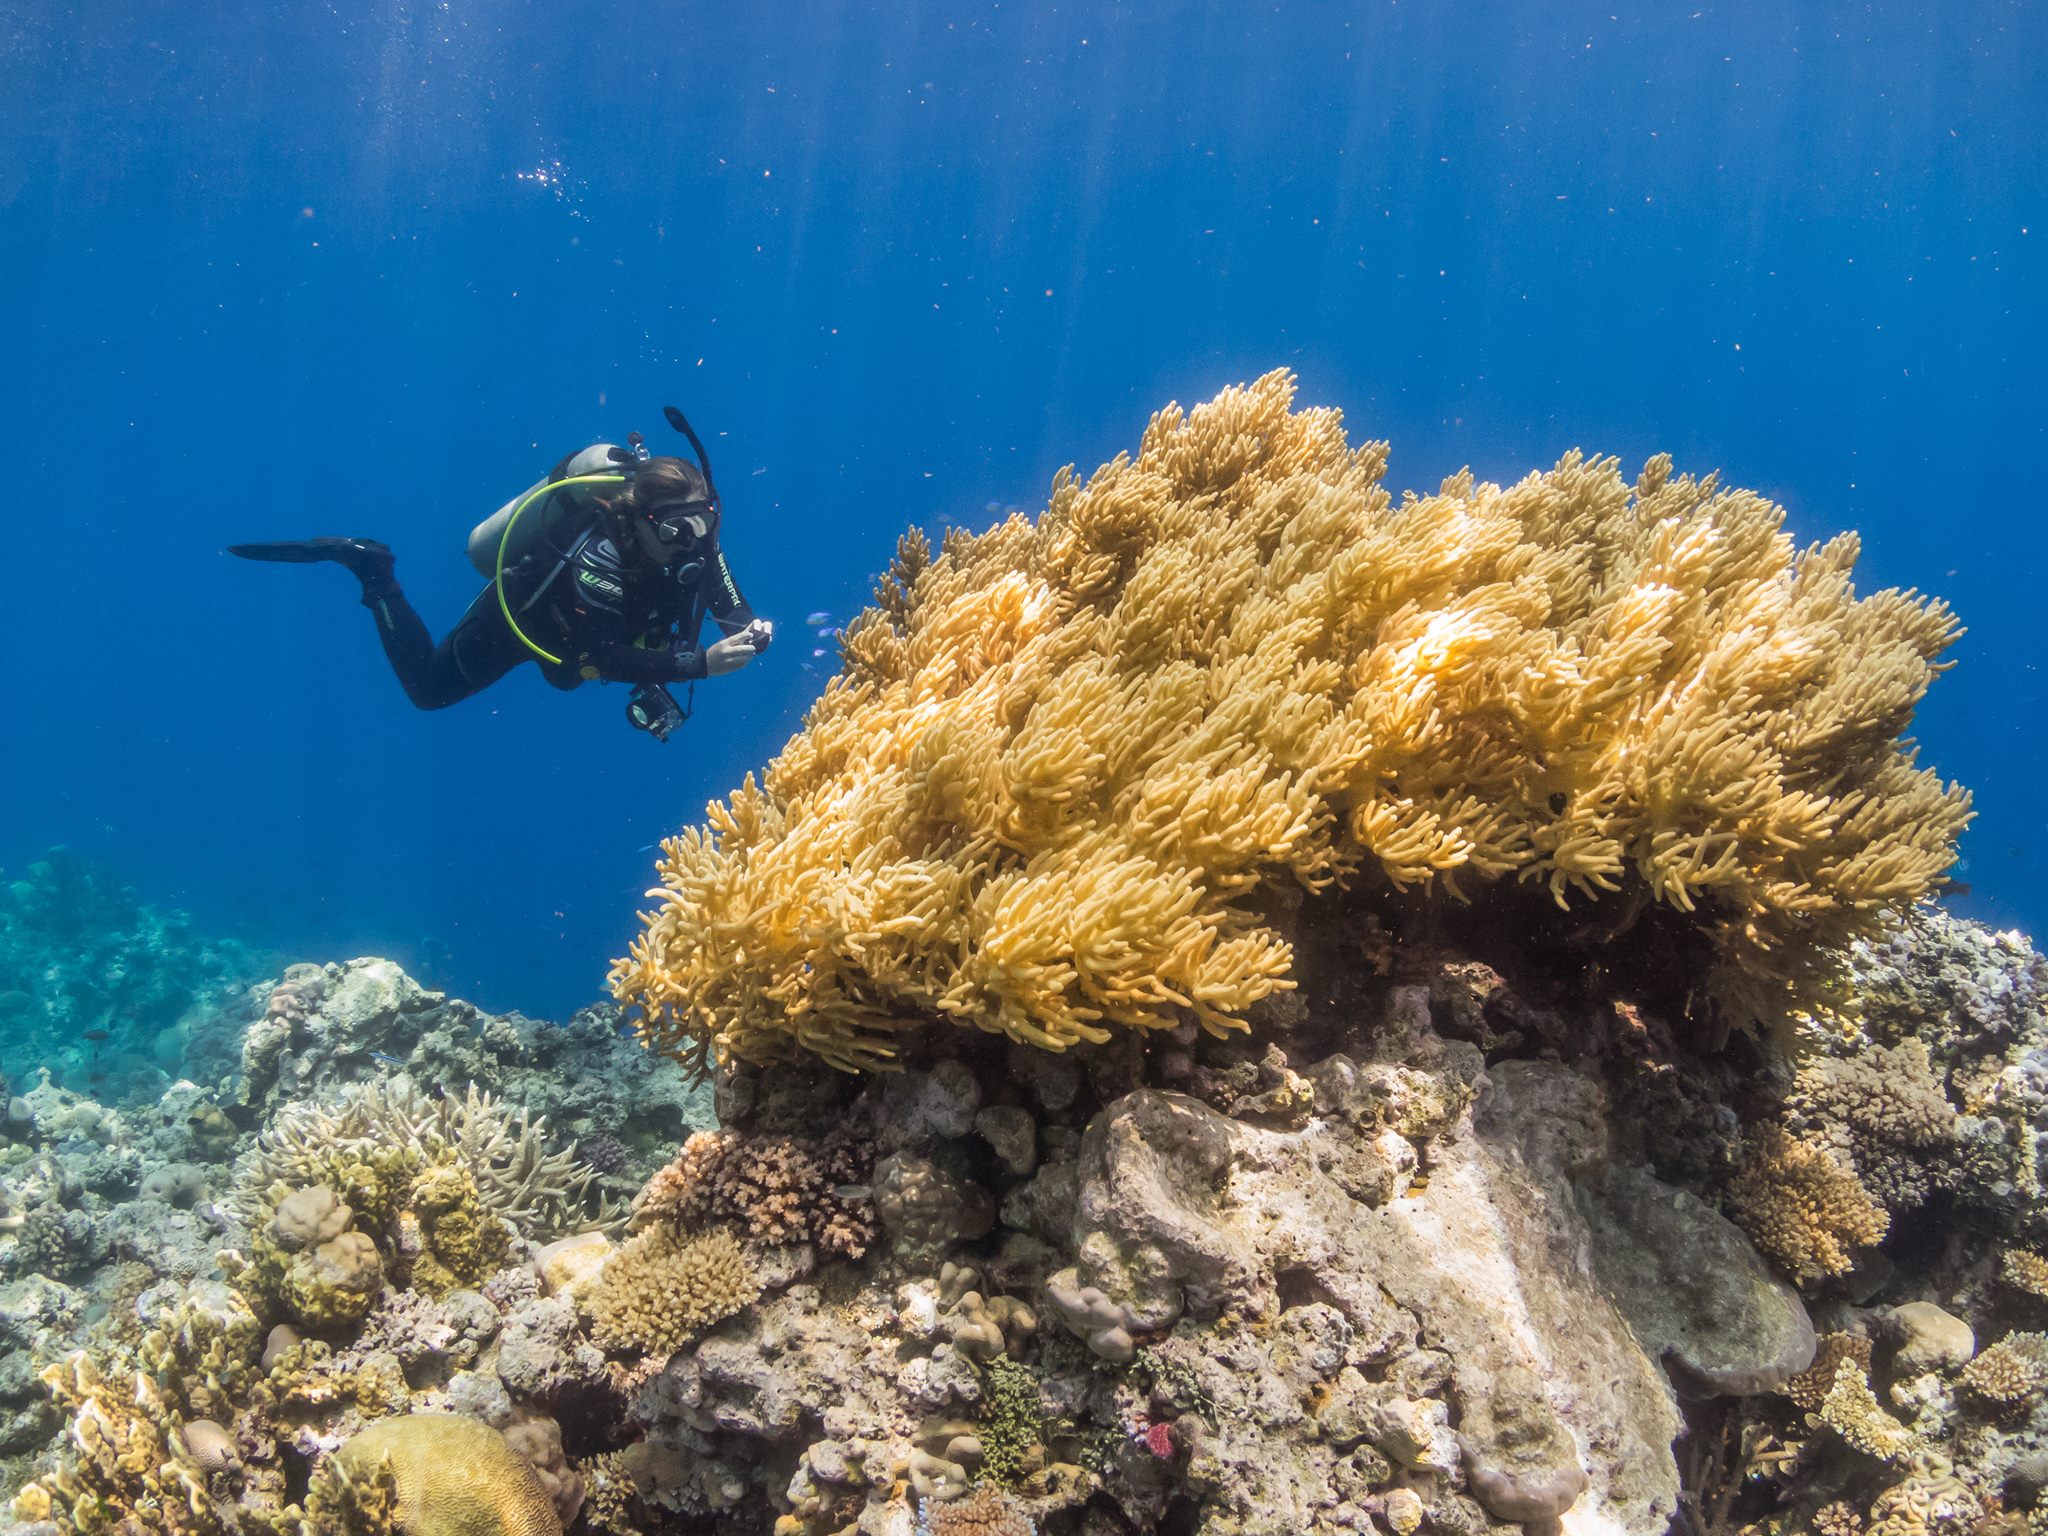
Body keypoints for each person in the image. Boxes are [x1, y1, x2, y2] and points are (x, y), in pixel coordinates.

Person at [229, 410, 771, 739]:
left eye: (706, 520)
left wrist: (748, 629)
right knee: (428, 690)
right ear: (642, 519)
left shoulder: (696, 540)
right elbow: (605, 655)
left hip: (582, 646)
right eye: (680, 529)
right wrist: (699, 664)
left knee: (563, 676)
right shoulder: (600, 560)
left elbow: (725, 600)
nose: (696, 540)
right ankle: (373, 572)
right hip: (523, 620)